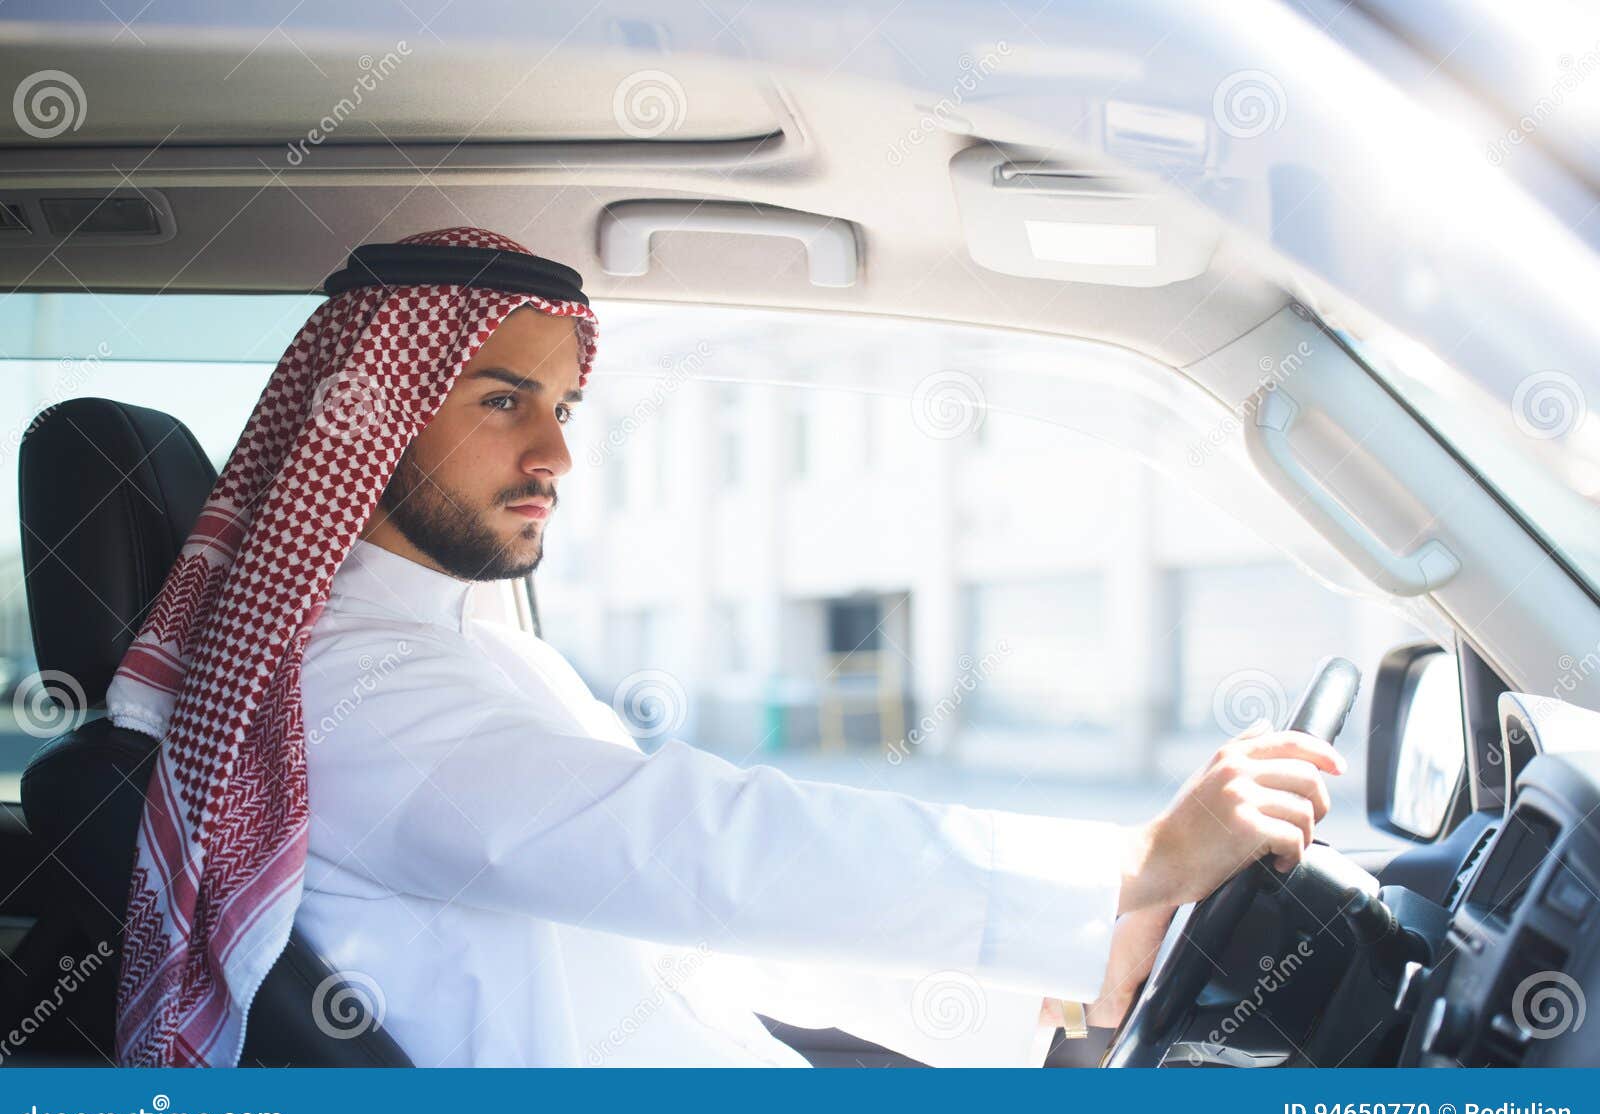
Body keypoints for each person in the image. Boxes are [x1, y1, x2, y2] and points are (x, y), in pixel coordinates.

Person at [106, 227, 1342, 1068]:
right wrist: (1123, 870)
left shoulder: (468, 652)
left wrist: (1054, 951)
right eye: (502, 401)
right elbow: (700, 845)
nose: (557, 456)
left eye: (563, 407)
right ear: (363, 420)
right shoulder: (345, 692)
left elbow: (679, 937)